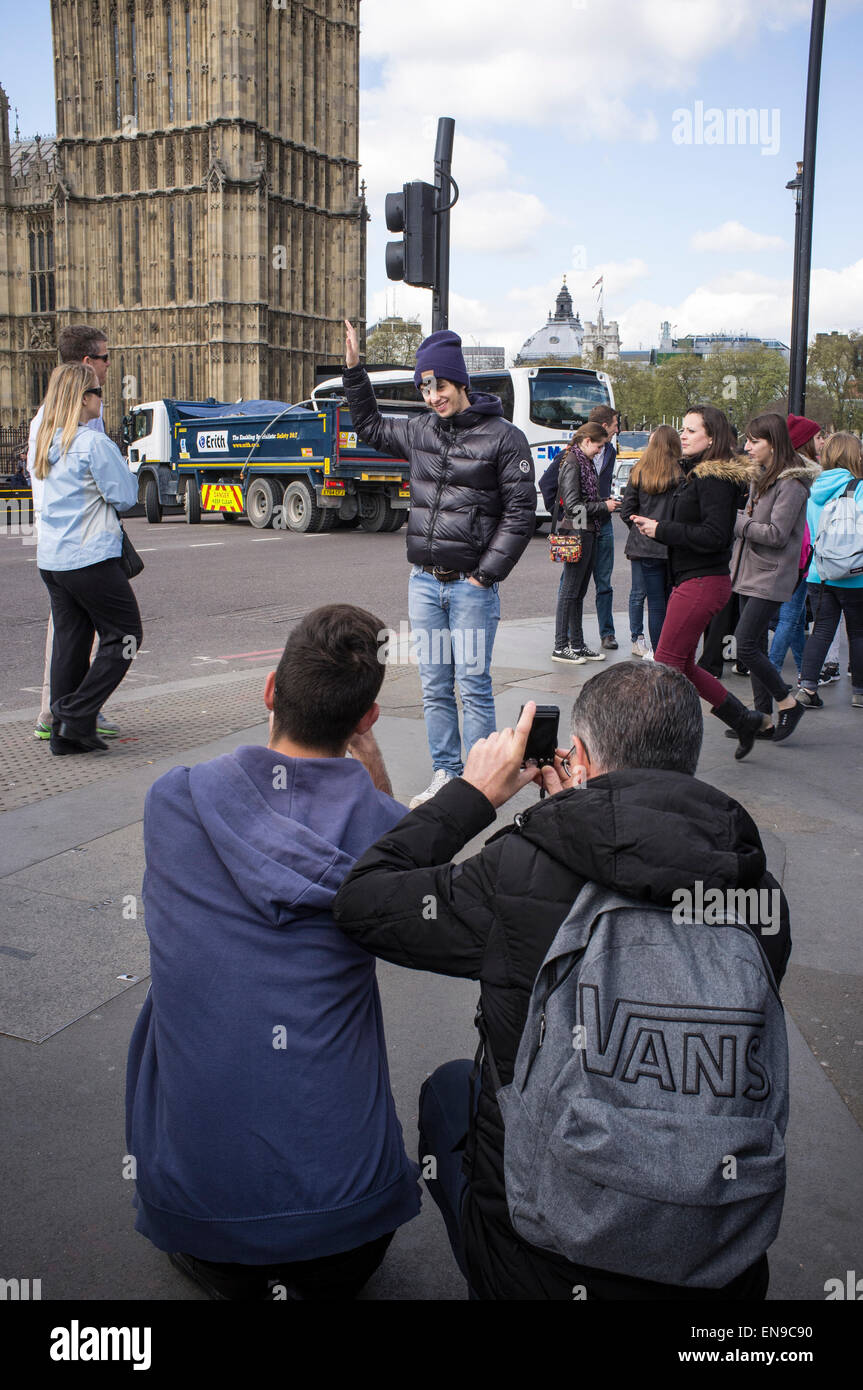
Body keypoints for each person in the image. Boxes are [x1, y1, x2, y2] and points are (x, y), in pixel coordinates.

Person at [332, 664, 791, 1301]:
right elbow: (650, 867)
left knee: (447, 1091)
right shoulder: (755, 890)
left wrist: (472, 793)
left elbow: (364, 903)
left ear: (581, 755)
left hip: (538, 1268)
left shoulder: (525, 871)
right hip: (719, 1266)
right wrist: (582, 823)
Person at [126, 604, 422, 1301]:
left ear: (268, 689)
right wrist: (373, 779)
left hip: (204, 1239)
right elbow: (392, 865)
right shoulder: (383, 831)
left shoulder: (173, 802)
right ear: (366, 720)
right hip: (351, 1243)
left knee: (169, 1005)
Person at [342, 320, 536, 808]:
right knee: (433, 686)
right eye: (424, 387)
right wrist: (355, 373)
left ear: (461, 383)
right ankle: (447, 775)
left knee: (471, 685)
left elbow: (520, 514)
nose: (432, 396)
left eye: (440, 385)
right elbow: (367, 426)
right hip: (424, 583)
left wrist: (484, 574)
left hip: (471, 586)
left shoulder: (504, 438)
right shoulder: (419, 430)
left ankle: (477, 783)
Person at [630, 403, 764, 757]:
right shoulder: (699, 473)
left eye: (691, 430)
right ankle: (743, 719)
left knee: (667, 667)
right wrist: (658, 530)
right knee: (683, 665)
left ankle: (662, 747)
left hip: (703, 583)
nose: (683, 435)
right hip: (696, 580)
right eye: (683, 429)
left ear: (712, 437)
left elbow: (716, 535)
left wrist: (663, 529)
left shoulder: (714, 478)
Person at [33, 363, 140, 755]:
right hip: (90, 559)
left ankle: (64, 738)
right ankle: (75, 713)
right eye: (97, 393)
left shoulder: (44, 443)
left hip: (52, 561)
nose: (101, 399)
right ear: (82, 399)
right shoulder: (92, 444)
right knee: (126, 636)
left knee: (71, 644)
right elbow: (126, 496)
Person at [28, 324, 120, 742]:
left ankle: (70, 715)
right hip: (81, 549)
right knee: (115, 635)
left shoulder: (45, 424)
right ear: (87, 364)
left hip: (56, 548)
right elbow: (117, 491)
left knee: (73, 635)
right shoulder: (81, 432)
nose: (107, 366)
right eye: (104, 358)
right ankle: (66, 712)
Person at [721, 414, 818, 752]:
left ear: (773, 445)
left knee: (745, 645)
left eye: (754, 441)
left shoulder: (791, 485)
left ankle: (788, 702)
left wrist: (739, 523)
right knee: (756, 645)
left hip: (771, 574)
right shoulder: (762, 476)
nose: (746, 446)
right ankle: (761, 719)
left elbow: (777, 535)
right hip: (750, 572)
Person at [795, 432, 863, 712]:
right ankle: (859, 692)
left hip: (819, 572)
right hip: (854, 572)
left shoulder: (813, 486)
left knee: (821, 629)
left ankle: (808, 686)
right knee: (858, 631)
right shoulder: (858, 487)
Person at [550, 422, 620, 663]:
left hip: (587, 532)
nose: (601, 450)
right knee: (570, 591)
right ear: (587, 440)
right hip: (578, 533)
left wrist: (602, 501)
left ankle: (577, 645)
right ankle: (561, 646)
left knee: (577, 592)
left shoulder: (582, 460)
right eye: (599, 445)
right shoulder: (573, 462)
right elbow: (573, 506)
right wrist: (603, 506)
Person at [767, 415, 822, 684]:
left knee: (796, 619)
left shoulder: (791, 475)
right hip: (798, 557)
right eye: (817, 437)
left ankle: (805, 674)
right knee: (789, 619)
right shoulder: (799, 479)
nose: (821, 442)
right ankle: (772, 672)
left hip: (798, 556)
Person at [620, 424, 682, 654]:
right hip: (673, 544)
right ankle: (669, 650)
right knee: (670, 601)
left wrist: (641, 529)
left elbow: (627, 511)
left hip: (647, 547)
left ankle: (658, 653)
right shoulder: (680, 473)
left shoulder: (639, 470)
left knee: (654, 602)